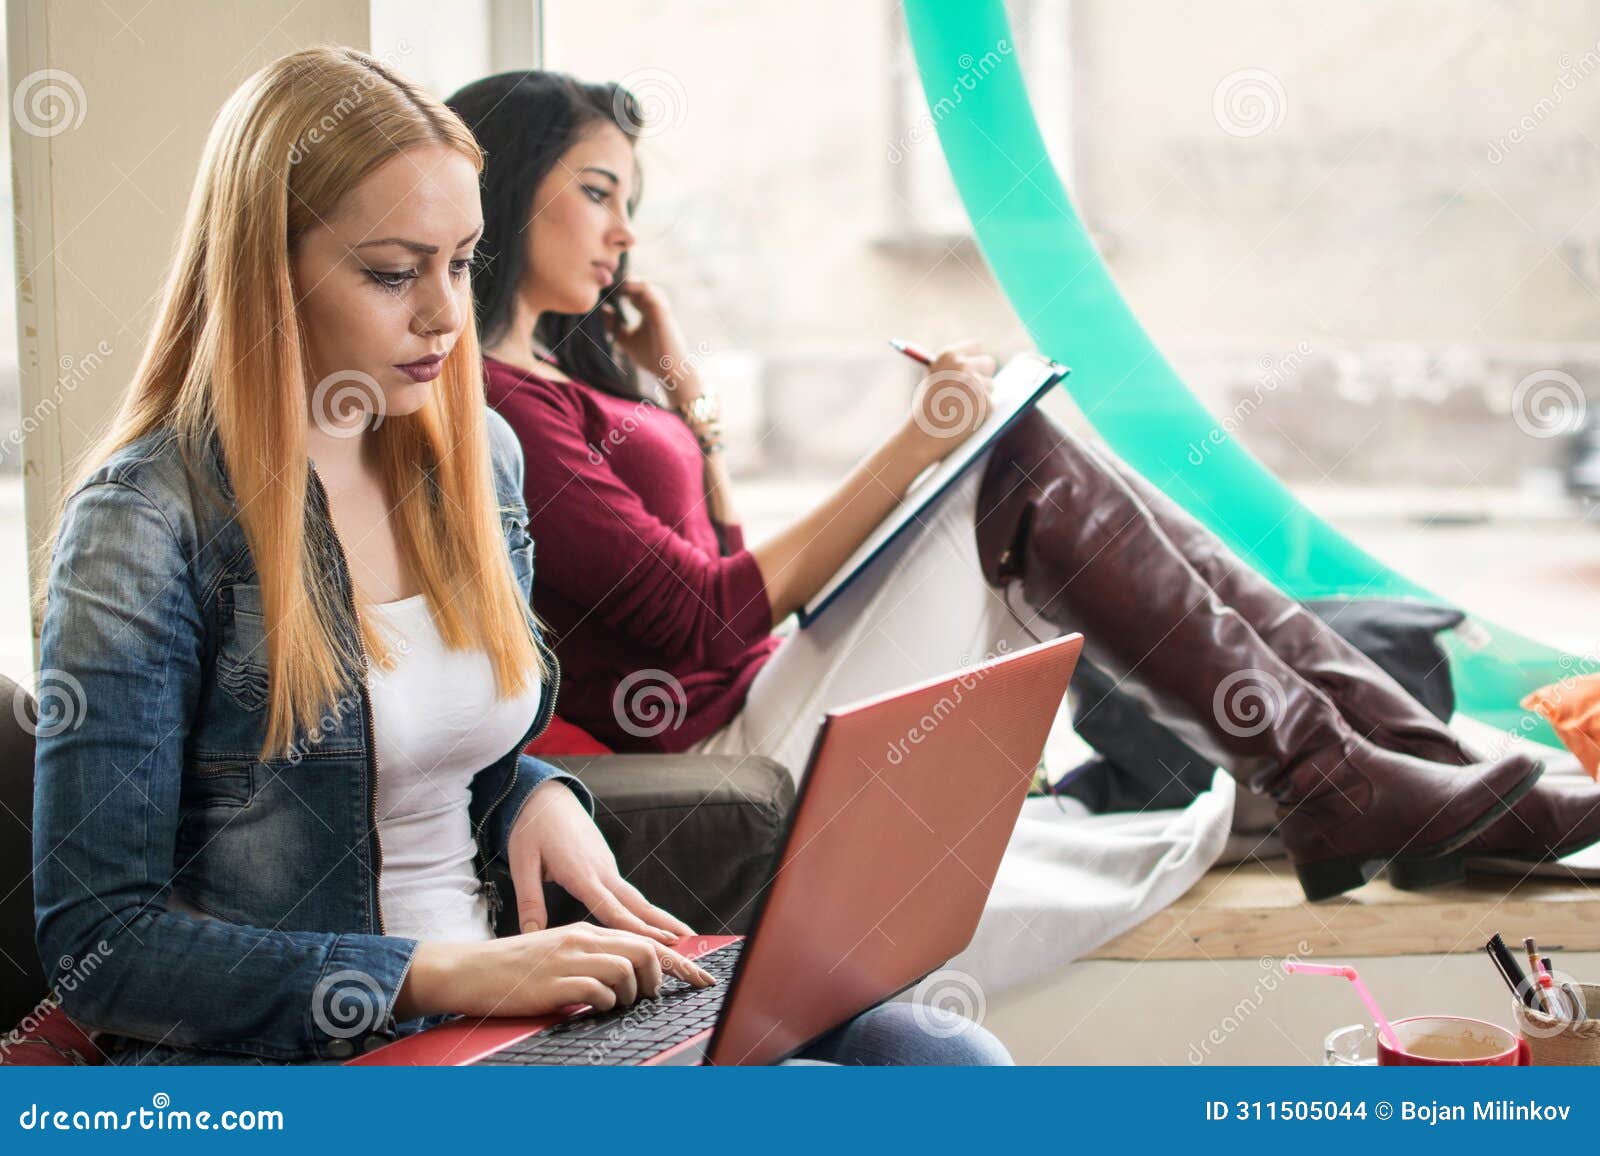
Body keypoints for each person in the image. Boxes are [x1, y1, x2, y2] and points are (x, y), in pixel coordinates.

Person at [30, 47, 1006, 1067]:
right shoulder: (145, 520)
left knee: (942, 1059)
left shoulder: (476, 458)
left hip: (507, 1009)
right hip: (333, 1057)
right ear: (266, 272)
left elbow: (419, 755)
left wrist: (529, 791)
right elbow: (103, 948)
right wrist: (445, 972)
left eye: (460, 262)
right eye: (392, 272)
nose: (445, 314)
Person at [448, 70, 1600, 902]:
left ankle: (1410, 764)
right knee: (1011, 460)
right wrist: (915, 449)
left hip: (763, 694)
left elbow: (709, 553)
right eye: (598, 192)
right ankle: (1338, 775)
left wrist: (681, 395)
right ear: (505, 191)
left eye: (631, 201)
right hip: (726, 758)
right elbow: (705, 611)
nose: (623, 232)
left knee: (1030, 448)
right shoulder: (500, 410)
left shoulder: (560, 375)